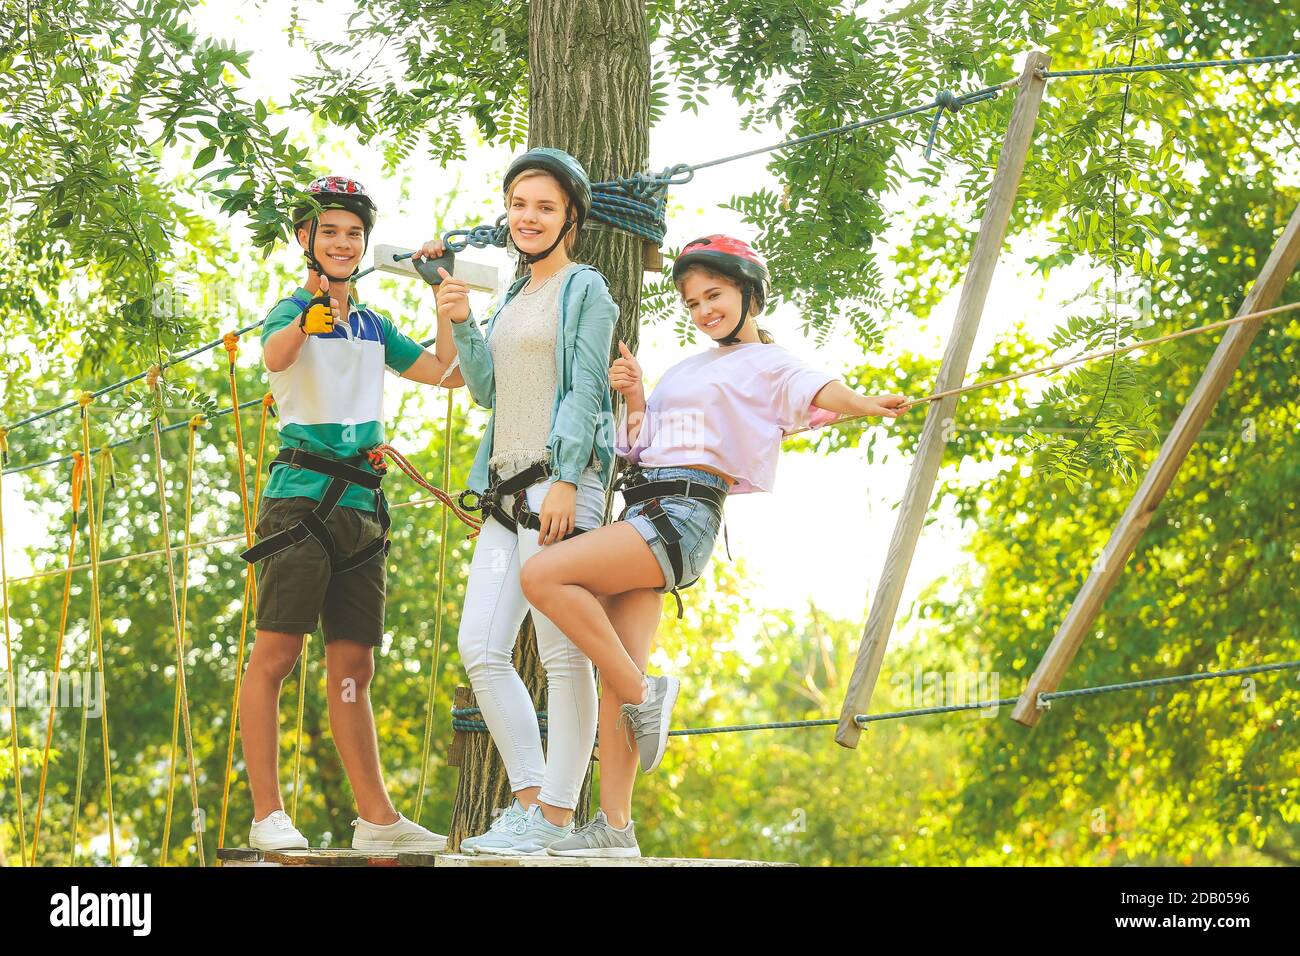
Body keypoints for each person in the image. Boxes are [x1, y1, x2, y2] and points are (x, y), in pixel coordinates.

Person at [519, 234, 912, 857]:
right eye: (693, 301)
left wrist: (868, 404)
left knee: (542, 577)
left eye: (715, 295)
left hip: (682, 513)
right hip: (643, 504)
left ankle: (649, 697)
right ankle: (615, 829)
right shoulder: (686, 369)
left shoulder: (769, 363)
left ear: (749, 294)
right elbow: (640, 443)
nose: (704, 310)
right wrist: (636, 395)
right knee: (622, 675)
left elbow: (818, 389)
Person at [239, 174, 463, 852]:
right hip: (300, 502)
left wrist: (443, 299)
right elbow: (274, 355)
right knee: (276, 654)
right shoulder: (287, 311)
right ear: (305, 239)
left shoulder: (372, 324)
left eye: (352, 233)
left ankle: (377, 820)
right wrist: (308, 315)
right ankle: (267, 813)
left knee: (352, 670)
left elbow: (446, 373)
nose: (342, 242)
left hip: (362, 508)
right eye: (328, 231)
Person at [429, 148, 619, 855]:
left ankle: (558, 818)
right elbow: (486, 391)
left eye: (544, 206)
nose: (528, 217)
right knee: (481, 644)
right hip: (505, 489)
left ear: (571, 214)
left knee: (562, 653)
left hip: (559, 483)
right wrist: (464, 321)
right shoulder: (514, 295)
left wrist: (570, 476)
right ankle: (532, 802)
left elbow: (588, 388)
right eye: (518, 204)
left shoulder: (585, 289)